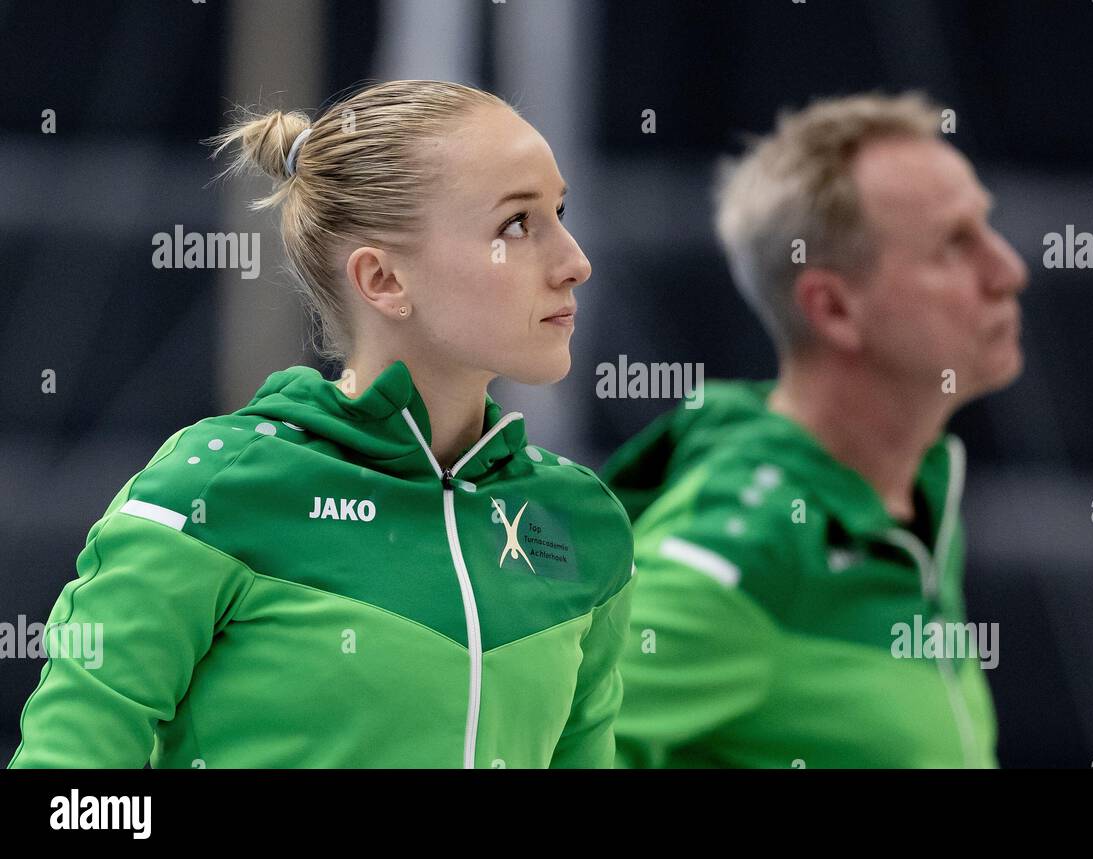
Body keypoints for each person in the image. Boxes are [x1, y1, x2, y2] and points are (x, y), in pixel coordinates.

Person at [8, 80, 635, 769]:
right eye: (517, 225)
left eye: (561, 211)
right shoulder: (214, 489)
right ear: (383, 279)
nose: (576, 261)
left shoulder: (579, 522)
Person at [605, 92, 1028, 768]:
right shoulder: (747, 538)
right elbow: (538, 744)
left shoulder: (912, 493)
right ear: (832, 309)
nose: (1008, 270)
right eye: (954, 244)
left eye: (988, 225)